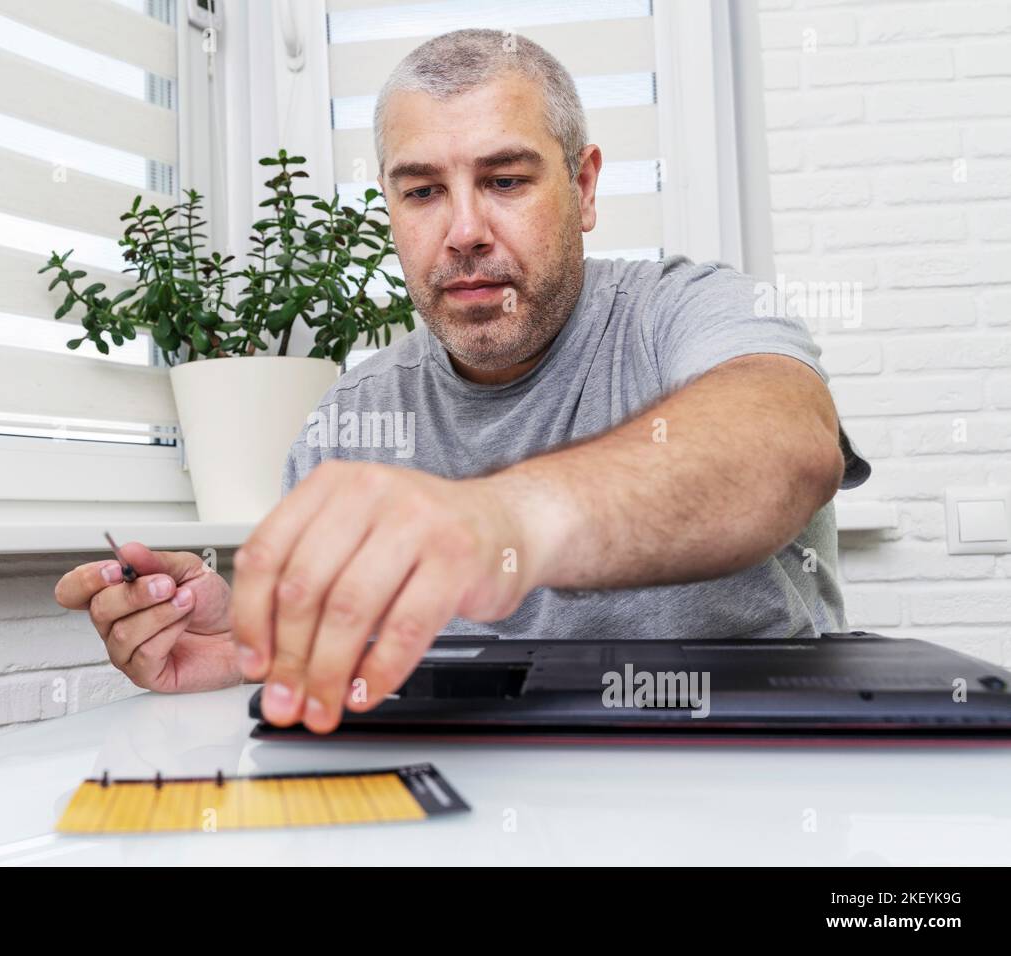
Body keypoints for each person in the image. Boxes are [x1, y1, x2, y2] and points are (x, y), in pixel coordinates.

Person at [55, 29, 868, 736]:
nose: (465, 232)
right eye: (423, 192)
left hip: (743, 792)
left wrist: (491, 519)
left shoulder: (689, 311)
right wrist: (250, 647)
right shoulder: (347, 426)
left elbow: (786, 450)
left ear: (583, 187)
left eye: (506, 181)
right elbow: (368, 677)